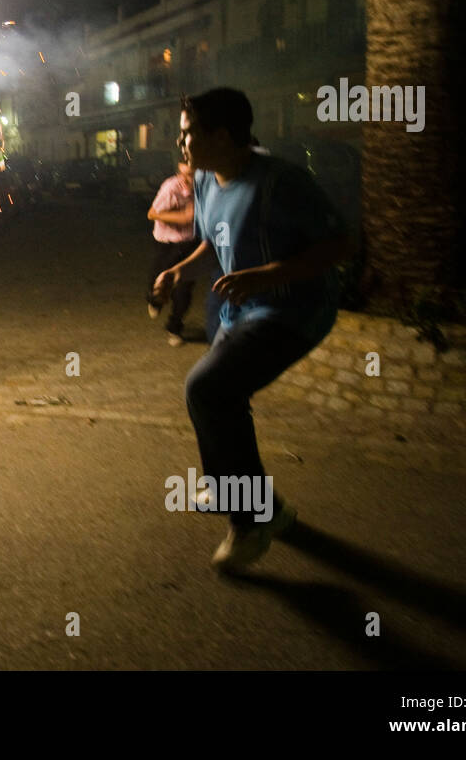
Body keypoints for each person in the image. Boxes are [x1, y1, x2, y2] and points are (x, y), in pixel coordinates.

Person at [153, 89, 352, 573]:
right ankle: (268, 507)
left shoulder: (282, 182)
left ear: (221, 135)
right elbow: (213, 241)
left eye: (188, 132)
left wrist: (265, 276)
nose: (180, 142)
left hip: (294, 309)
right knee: (218, 397)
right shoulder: (203, 181)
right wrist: (180, 272)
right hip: (241, 310)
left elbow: (338, 246)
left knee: (208, 387)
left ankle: (248, 521)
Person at [146, 160, 197, 346]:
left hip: (190, 243)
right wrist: (181, 216)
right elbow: (151, 214)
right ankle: (154, 301)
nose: (188, 177)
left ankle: (174, 327)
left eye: (193, 173)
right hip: (166, 243)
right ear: (179, 168)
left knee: (184, 290)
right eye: (186, 173)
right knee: (157, 280)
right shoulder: (170, 187)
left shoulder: (205, 186)